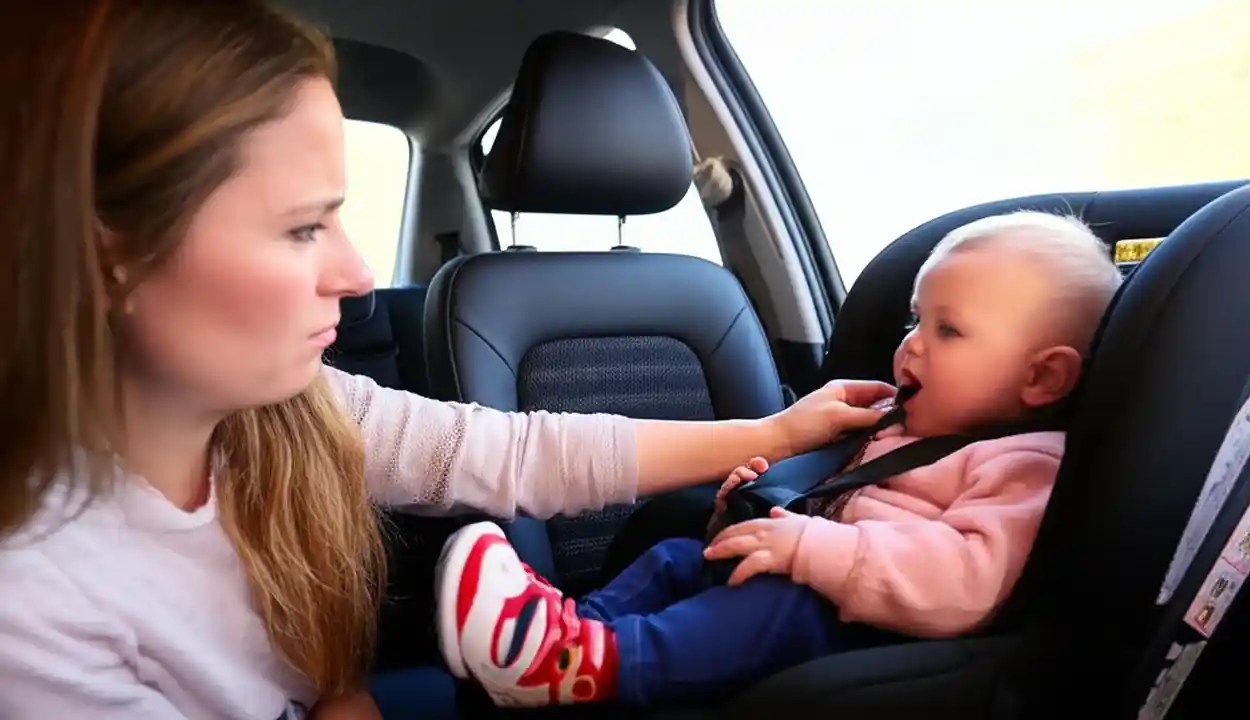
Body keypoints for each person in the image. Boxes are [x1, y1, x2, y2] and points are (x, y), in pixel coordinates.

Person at [0, 2, 899, 718]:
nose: (357, 276)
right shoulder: (31, 611)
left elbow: (520, 452)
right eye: (303, 228)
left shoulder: (298, 415)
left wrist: (781, 432)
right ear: (107, 257)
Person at [436, 210, 1125, 708]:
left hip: (869, 629)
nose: (911, 344)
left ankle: (588, 664)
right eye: (915, 320)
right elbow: (842, 509)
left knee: (779, 606)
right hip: (820, 580)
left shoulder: (1027, 464)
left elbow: (966, 581)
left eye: (948, 331)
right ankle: (565, 632)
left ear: (1043, 378)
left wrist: (808, 548)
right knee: (680, 557)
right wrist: (751, 516)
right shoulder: (897, 432)